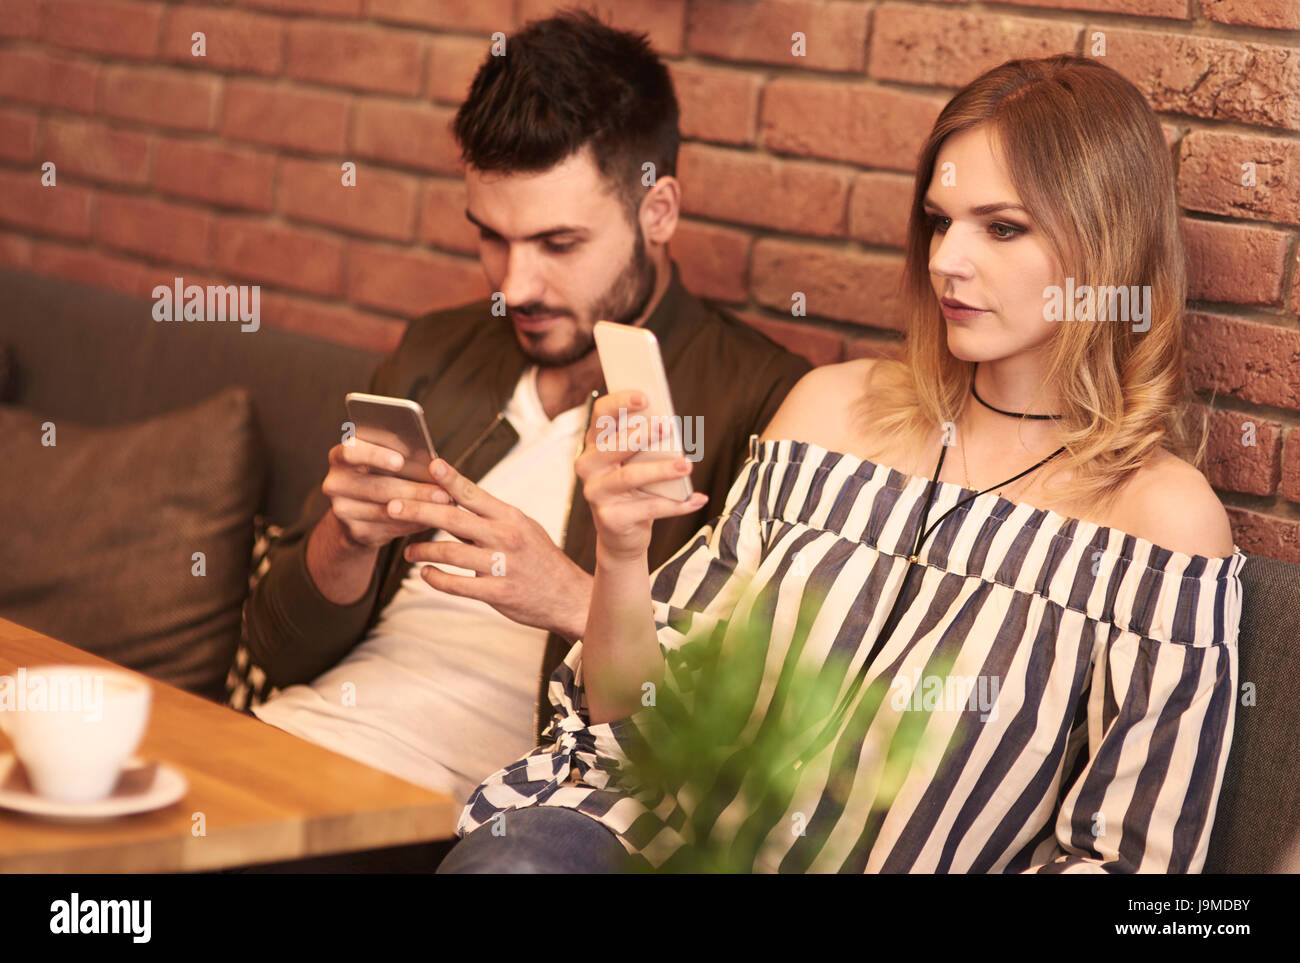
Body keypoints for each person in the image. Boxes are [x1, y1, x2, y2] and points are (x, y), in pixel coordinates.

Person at [444, 54, 1244, 874]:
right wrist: (620, 552)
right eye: (939, 221)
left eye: (1002, 227)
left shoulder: (1160, 524)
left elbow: (1127, 867)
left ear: (1104, 244)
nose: (947, 261)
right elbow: (635, 723)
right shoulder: (829, 411)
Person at [242, 10, 810, 811]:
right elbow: (273, 647)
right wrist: (346, 539)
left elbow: (735, 744)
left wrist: (572, 595)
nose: (515, 287)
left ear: (659, 211)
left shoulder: (761, 403)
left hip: (454, 822)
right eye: (492, 239)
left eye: (558, 243)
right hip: (275, 746)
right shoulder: (438, 351)